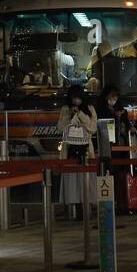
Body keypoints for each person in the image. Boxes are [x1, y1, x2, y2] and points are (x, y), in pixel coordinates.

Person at [56, 86, 97, 219]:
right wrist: (70, 116)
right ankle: (72, 210)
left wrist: (80, 114)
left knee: (86, 180)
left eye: (78, 97)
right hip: (70, 150)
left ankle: (86, 210)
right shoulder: (65, 109)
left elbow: (92, 128)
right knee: (72, 180)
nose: (76, 100)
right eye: (73, 97)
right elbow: (60, 128)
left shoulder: (89, 109)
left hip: (85, 150)